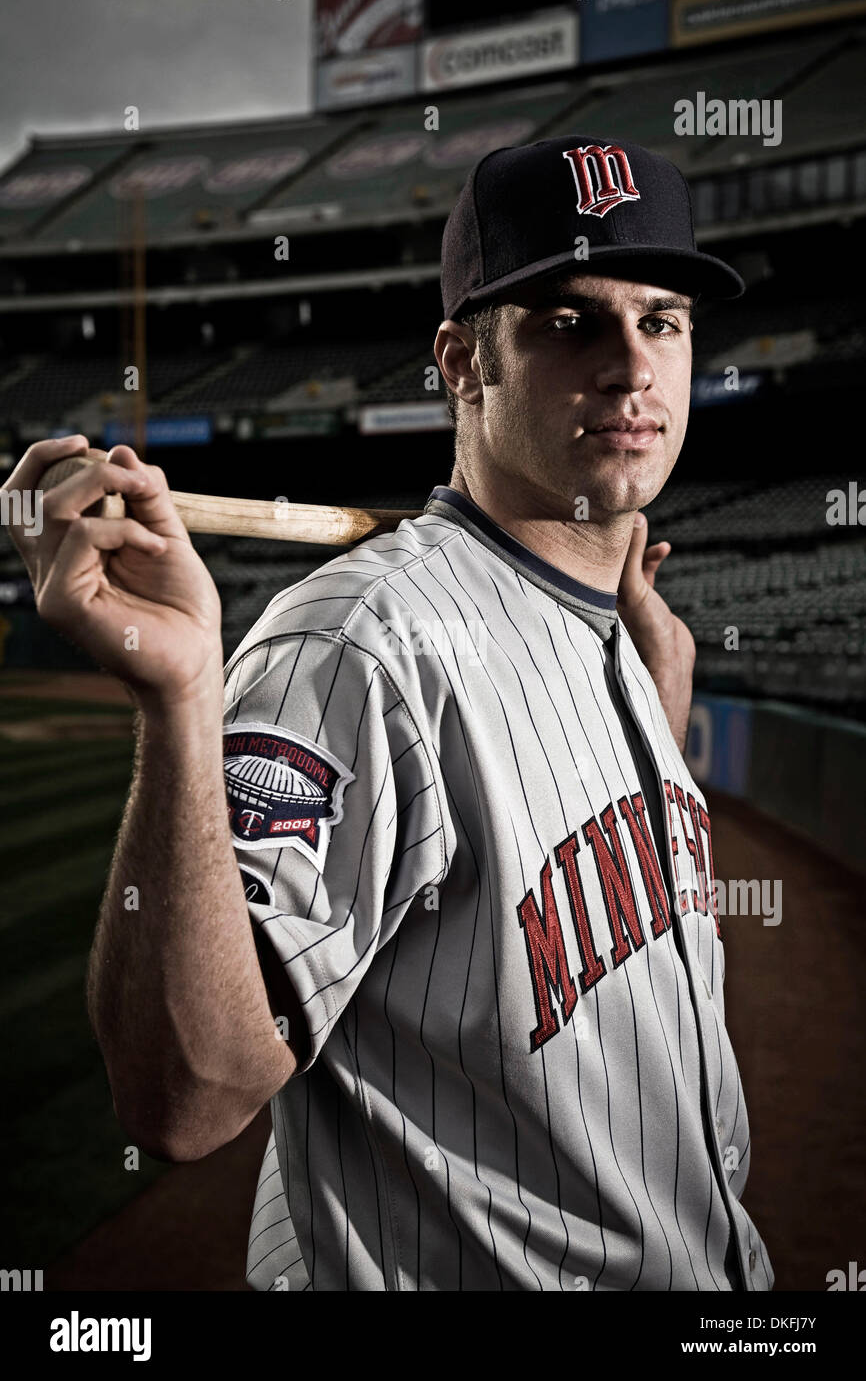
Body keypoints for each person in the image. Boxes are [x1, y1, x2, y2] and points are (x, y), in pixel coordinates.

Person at [2, 134, 773, 1291]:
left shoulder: (627, 631)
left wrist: (649, 708)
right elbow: (184, 1094)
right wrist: (179, 701)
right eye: (568, 320)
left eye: (659, 318)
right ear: (462, 364)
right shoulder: (356, 642)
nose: (629, 365)